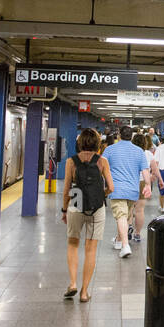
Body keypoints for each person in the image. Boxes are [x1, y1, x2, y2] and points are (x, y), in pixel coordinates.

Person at [61, 127, 114, 303]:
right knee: (90, 249)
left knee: (73, 244)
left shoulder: (71, 161)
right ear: (98, 144)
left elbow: (67, 190)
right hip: (96, 208)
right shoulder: (102, 161)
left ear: (80, 142)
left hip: (76, 204)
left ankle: (73, 283)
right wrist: (100, 194)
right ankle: (84, 292)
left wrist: (64, 210)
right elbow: (111, 188)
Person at [101, 125, 149, 259]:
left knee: (121, 216)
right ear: (131, 136)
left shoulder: (110, 149)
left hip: (116, 189)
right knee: (126, 216)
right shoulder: (139, 151)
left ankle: (125, 245)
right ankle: (118, 240)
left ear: (119, 136)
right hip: (133, 190)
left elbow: (101, 167)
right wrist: (148, 185)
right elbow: (145, 171)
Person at [130, 133, 154, 242]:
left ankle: (128, 227)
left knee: (129, 209)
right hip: (143, 182)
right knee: (139, 210)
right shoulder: (148, 154)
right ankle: (137, 233)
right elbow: (154, 168)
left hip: (130, 182)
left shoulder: (129, 152)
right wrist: (160, 179)